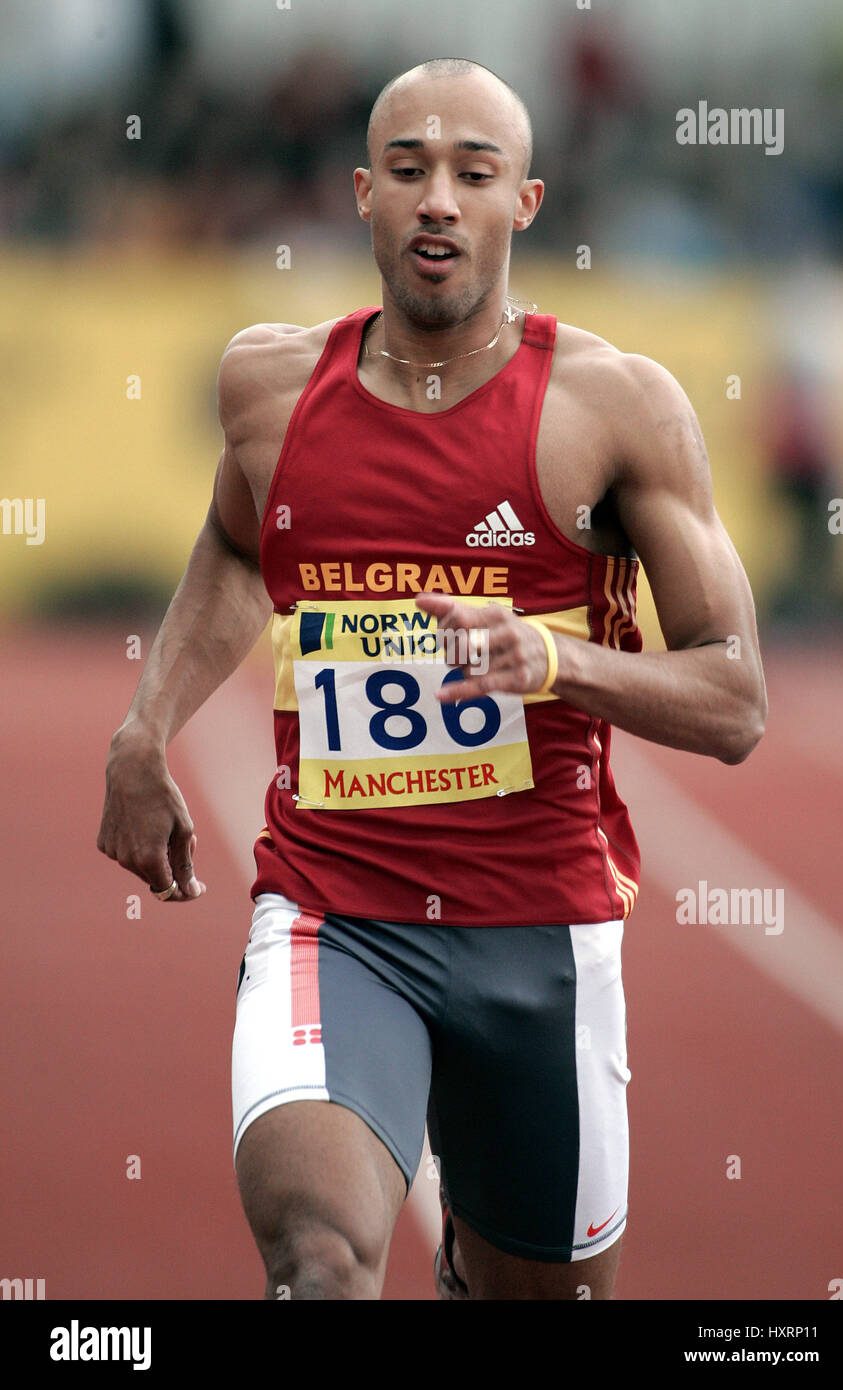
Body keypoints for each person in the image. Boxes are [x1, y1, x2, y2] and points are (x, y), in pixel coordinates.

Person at [97, 57, 767, 1300]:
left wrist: (555, 659)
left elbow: (736, 701)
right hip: (333, 910)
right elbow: (243, 546)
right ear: (361, 194)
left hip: (540, 933)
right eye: (407, 171)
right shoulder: (268, 386)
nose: (438, 201)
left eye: (473, 173)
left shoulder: (616, 410)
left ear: (527, 200)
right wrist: (145, 731)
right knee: (321, 1262)